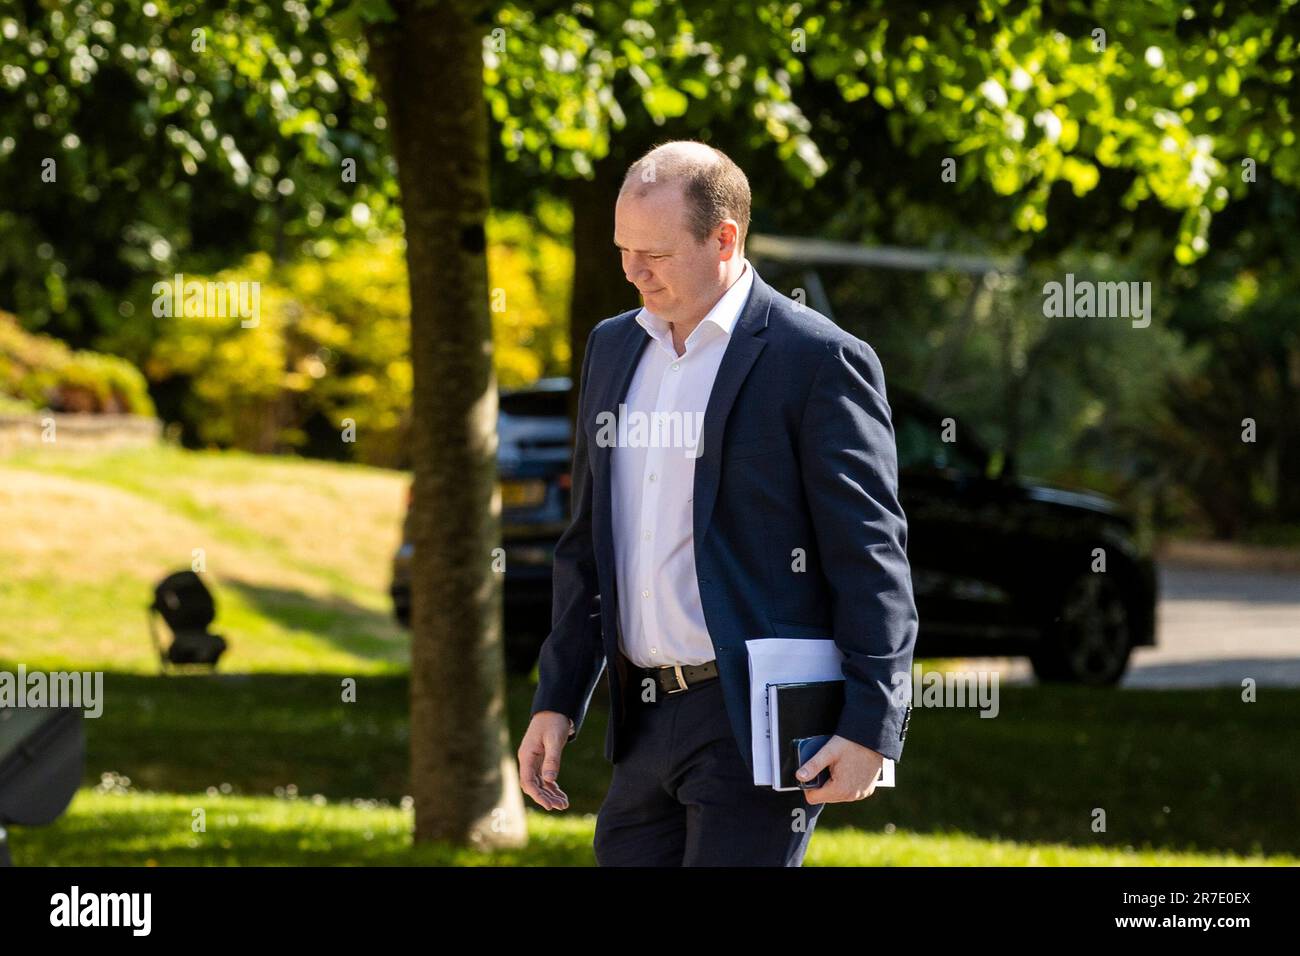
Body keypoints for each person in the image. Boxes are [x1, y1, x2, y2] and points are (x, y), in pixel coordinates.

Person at [517, 140, 917, 866]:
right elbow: (587, 545)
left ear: (724, 237)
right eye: (622, 250)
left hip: (752, 719)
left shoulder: (818, 361)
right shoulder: (612, 349)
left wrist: (870, 726)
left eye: (657, 254)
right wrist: (558, 696)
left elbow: (870, 559)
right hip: (639, 719)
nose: (634, 271)